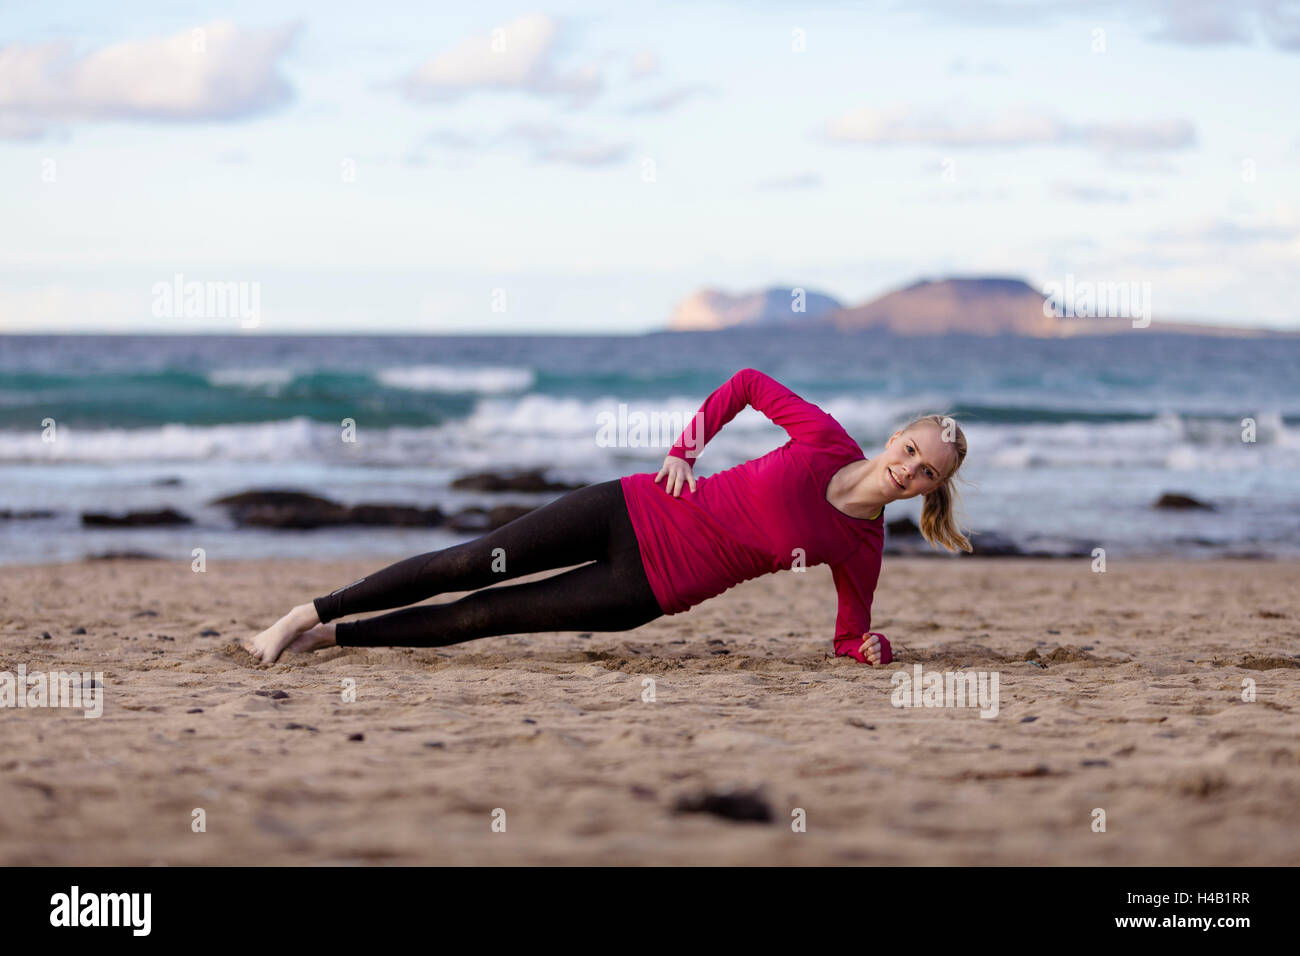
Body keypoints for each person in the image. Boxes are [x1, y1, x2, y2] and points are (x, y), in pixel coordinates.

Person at [242, 368, 972, 666]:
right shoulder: (822, 438)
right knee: (470, 560)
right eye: (911, 448)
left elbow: (848, 633)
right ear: (893, 437)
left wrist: (865, 647)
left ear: (927, 492)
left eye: (926, 471)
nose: (909, 467)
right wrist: (685, 448)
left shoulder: (862, 546)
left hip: (646, 592)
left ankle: (337, 637)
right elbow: (747, 384)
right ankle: (302, 615)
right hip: (631, 508)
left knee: (485, 615)